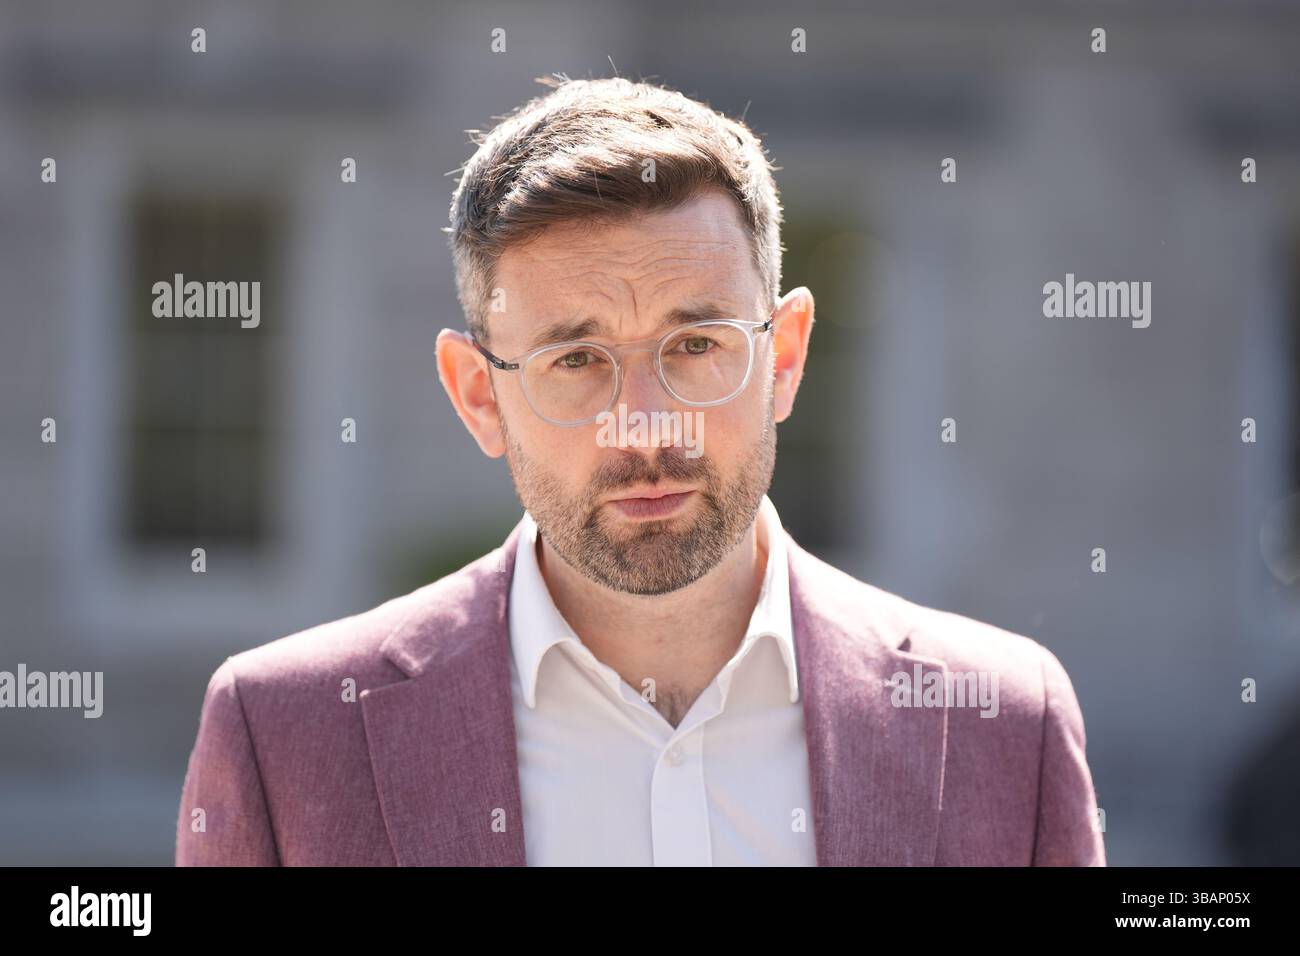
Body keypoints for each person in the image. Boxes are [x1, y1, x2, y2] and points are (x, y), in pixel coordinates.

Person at [176, 76, 1105, 866]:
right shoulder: (285, 739)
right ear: (477, 396)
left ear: (783, 357)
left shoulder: (1005, 725)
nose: (644, 425)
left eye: (695, 344)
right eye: (574, 362)